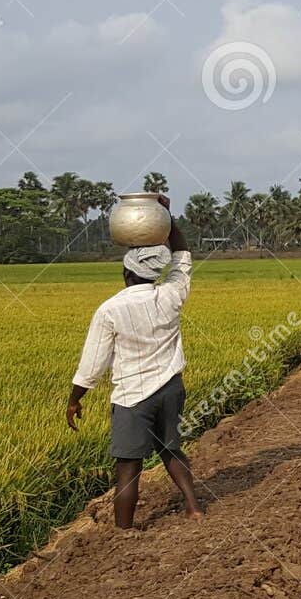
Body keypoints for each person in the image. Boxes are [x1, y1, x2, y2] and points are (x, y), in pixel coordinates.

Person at [66, 195, 204, 528]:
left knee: (128, 467)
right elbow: (183, 257)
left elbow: (93, 363)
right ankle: (193, 507)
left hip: (133, 397)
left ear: (126, 272)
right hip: (171, 389)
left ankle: (123, 531)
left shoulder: (110, 310)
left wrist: (74, 399)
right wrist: (167, 217)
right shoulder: (170, 295)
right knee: (170, 449)